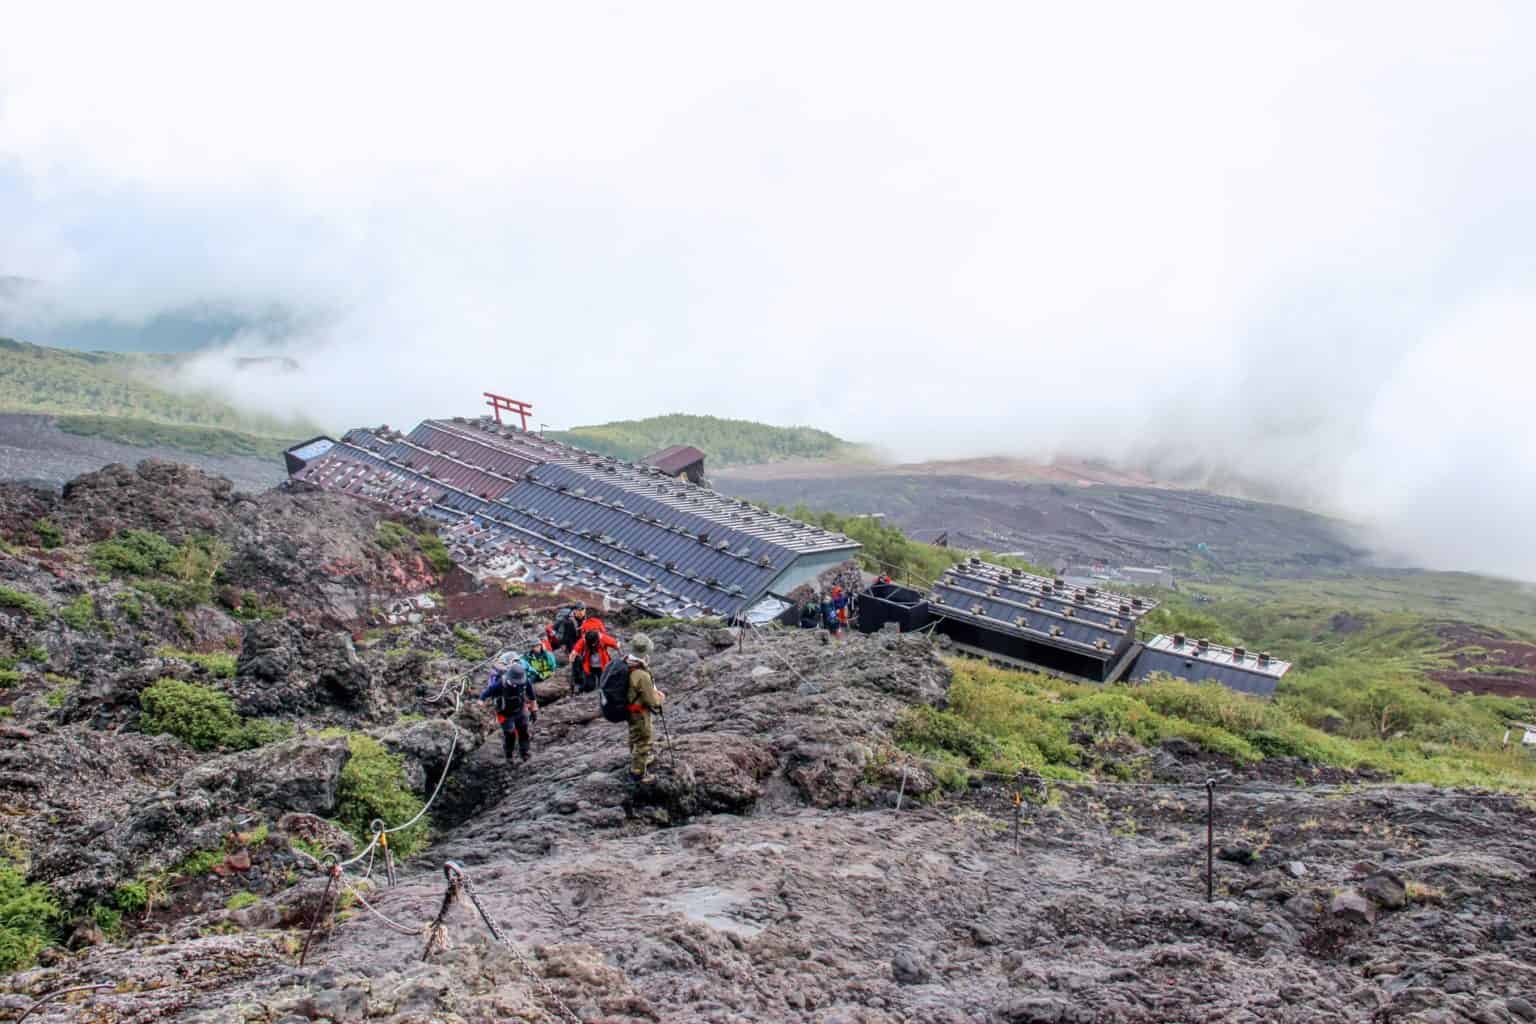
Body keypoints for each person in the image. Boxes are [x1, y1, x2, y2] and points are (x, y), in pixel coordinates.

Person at [480, 654, 537, 764]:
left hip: (520, 709)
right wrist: (481, 701)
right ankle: (509, 755)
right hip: (504, 713)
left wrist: (534, 710)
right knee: (510, 734)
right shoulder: (501, 683)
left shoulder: (525, 681)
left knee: (523, 731)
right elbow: (487, 692)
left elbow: (532, 695)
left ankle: (525, 753)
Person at [625, 632, 665, 784]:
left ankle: (638, 758)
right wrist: (659, 699)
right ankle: (638, 773)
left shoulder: (627, 663)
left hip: (629, 710)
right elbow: (651, 700)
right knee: (644, 740)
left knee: (634, 736)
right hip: (640, 712)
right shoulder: (641, 674)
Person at [570, 616, 619, 693]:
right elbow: (574, 651)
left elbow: (616, 644)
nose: (592, 645)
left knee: (603, 684)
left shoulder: (603, 638)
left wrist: (618, 650)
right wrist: (572, 658)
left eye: (594, 644)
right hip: (589, 666)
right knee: (589, 686)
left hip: (602, 666)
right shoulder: (584, 640)